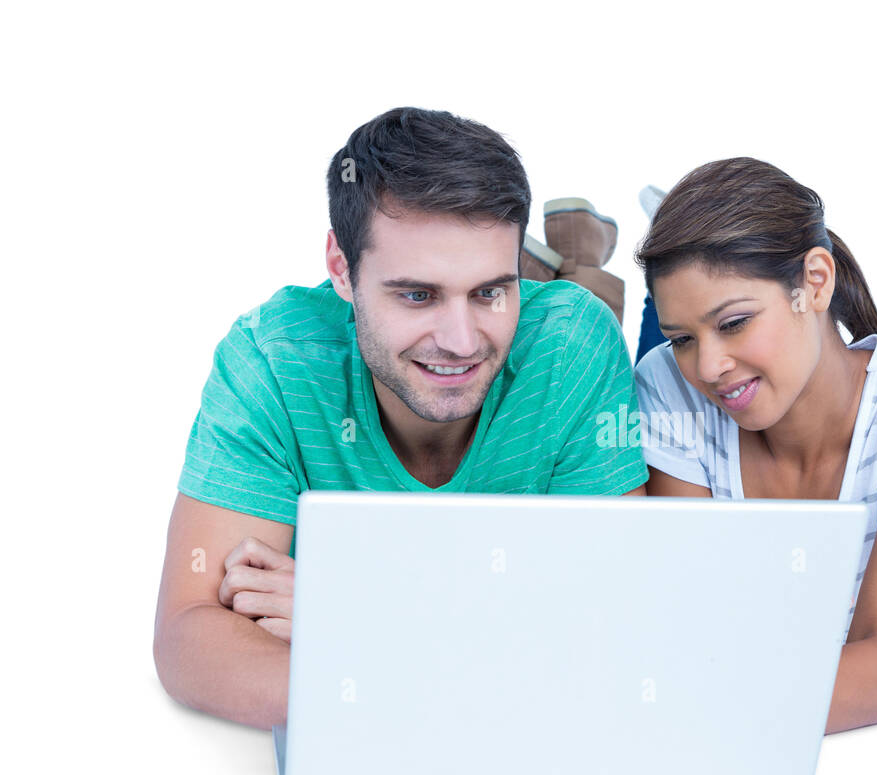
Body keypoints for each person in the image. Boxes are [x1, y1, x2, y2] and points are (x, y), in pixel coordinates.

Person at [154, 107, 648, 731]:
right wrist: (470, 658)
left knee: (587, 303)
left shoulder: (574, 343)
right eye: (417, 294)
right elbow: (189, 631)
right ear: (340, 268)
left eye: (491, 290)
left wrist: (359, 613)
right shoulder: (270, 361)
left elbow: (609, 612)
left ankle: (571, 261)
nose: (463, 340)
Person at [631, 157, 877, 734]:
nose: (707, 366)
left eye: (734, 323)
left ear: (815, 283)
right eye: (682, 338)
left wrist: (675, 709)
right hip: (750, 725)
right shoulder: (670, 383)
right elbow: (691, 615)